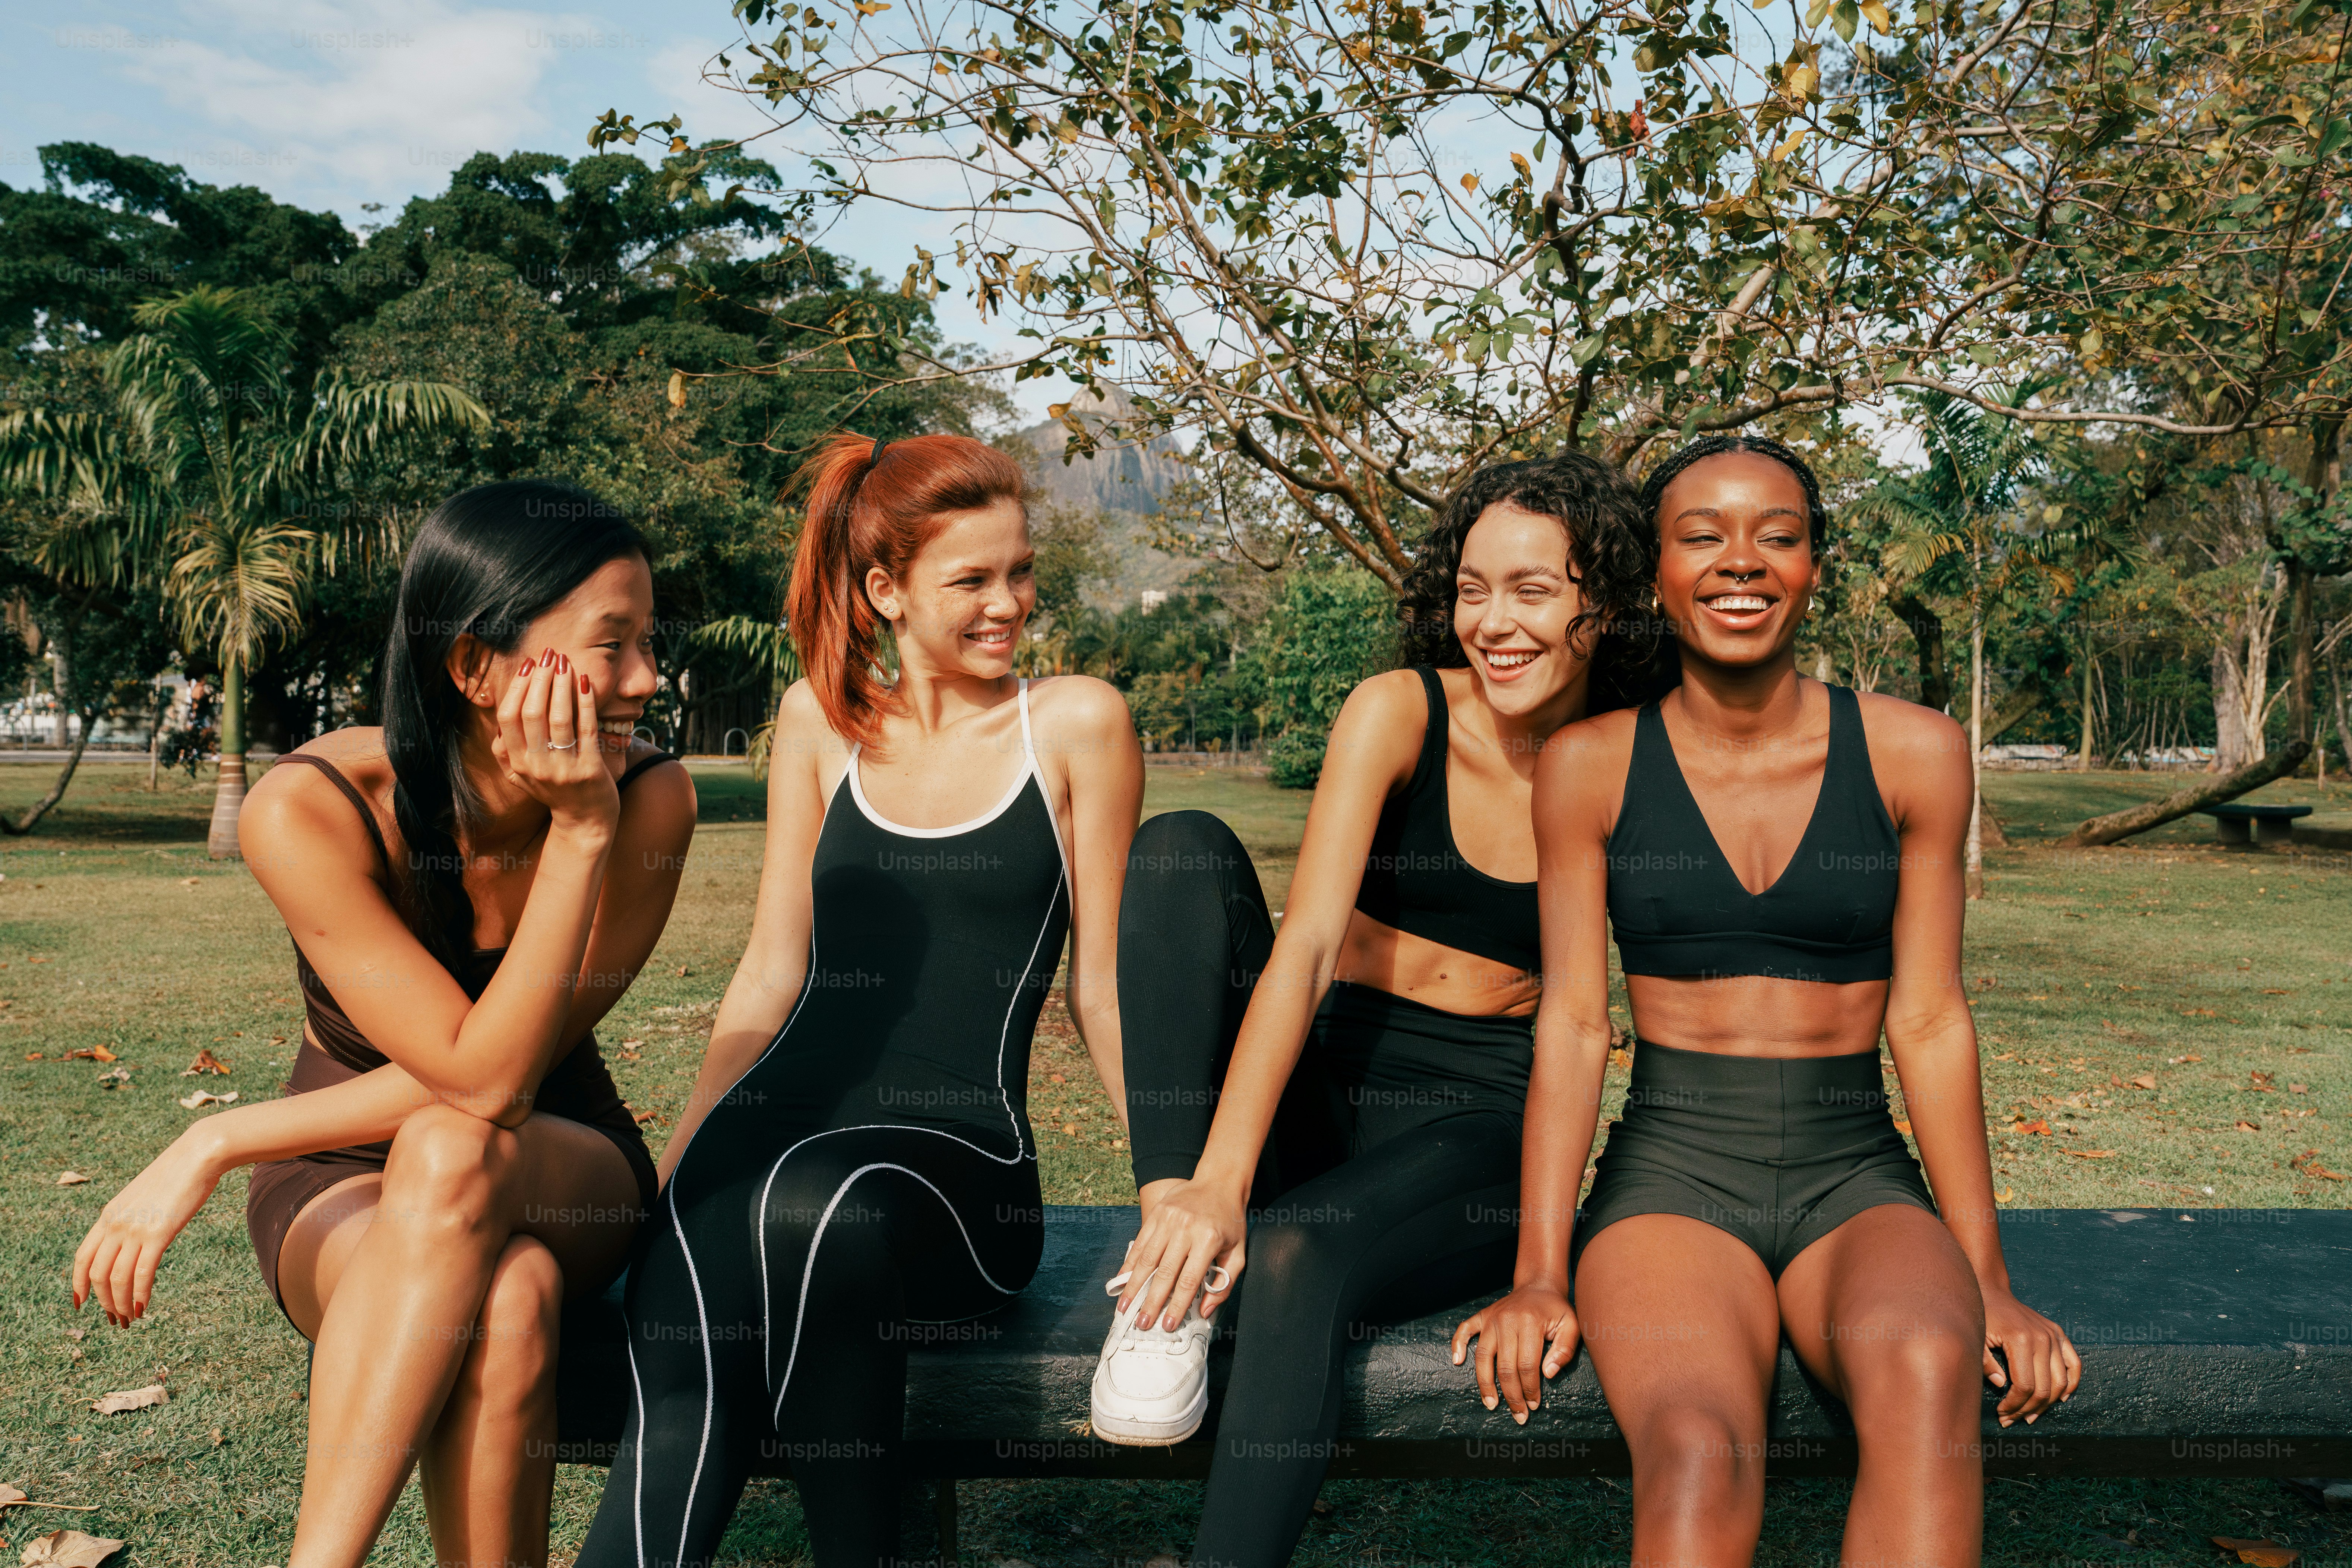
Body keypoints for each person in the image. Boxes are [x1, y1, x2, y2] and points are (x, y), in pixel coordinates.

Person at [1454, 434, 2082, 1567]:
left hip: (1858, 1175)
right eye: (1702, 537)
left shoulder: (1916, 754)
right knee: (1698, 1447)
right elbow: (1575, 1023)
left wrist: (1988, 1279)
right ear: (1655, 572)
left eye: (1776, 538)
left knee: (1931, 1377)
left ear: (1814, 567)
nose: (1739, 562)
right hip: (1671, 1179)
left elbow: (1930, 1018)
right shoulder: (1590, 766)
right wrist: (1539, 1273)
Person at [70, 479, 696, 1568]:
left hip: (564, 1163)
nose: (648, 679)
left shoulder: (645, 803)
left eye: (651, 641)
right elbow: (457, 1068)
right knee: (509, 1296)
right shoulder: (316, 806)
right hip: (339, 1177)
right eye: (613, 645)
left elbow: (499, 1082)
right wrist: (240, 1142)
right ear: (472, 666)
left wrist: (217, 1135)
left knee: (458, 1146)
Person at [575, 431, 1142, 1567]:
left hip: (960, 1179)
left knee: (813, 1205)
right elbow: (772, 971)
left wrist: (1179, 1191)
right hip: (785, 1138)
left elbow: (1104, 988)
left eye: (1020, 572)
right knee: (709, 1272)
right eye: (972, 580)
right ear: (885, 591)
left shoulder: (1075, 722)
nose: (1010, 604)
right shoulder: (816, 723)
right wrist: (681, 1174)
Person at [1095, 454, 1653, 1568]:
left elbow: (1590, 1019)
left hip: (1476, 1126)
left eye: (1532, 591)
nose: (1493, 623)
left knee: (1302, 1250)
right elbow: (1302, 950)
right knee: (1180, 852)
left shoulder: (1637, 758)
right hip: (1327, 1078)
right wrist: (1213, 1182)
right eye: (1473, 588)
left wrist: (1561, 1253)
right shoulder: (1400, 711)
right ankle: (1174, 1259)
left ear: (1607, 604)